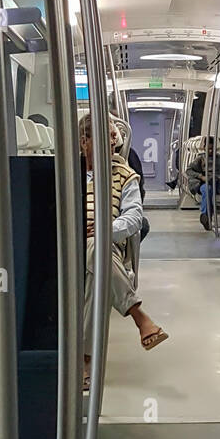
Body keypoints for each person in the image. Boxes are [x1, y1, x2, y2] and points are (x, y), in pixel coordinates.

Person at [80, 114, 167, 390]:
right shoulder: (67, 172)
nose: (114, 141)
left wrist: (106, 229)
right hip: (71, 241)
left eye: (114, 136)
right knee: (98, 260)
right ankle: (140, 317)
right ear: (84, 142)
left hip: (107, 242)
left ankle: (85, 360)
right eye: (105, 136)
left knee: (97, 255)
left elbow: (135, 217)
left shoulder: (126, 175)